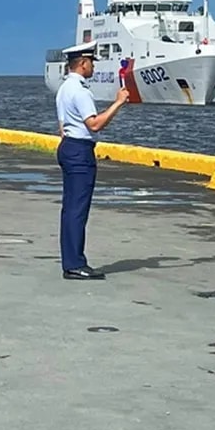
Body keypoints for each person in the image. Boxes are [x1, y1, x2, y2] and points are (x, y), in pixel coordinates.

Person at [54, 41, 128, 280]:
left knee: (70, 209)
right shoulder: (81, 92)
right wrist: (118, 102)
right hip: (80, 151)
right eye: (91, 62)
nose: (93, 67)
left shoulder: (64, 89)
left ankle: (71, 260)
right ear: (83, 63)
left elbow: (62, 126)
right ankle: (75, 264)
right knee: (77, 210)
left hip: (67, 146)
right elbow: (94, 125)